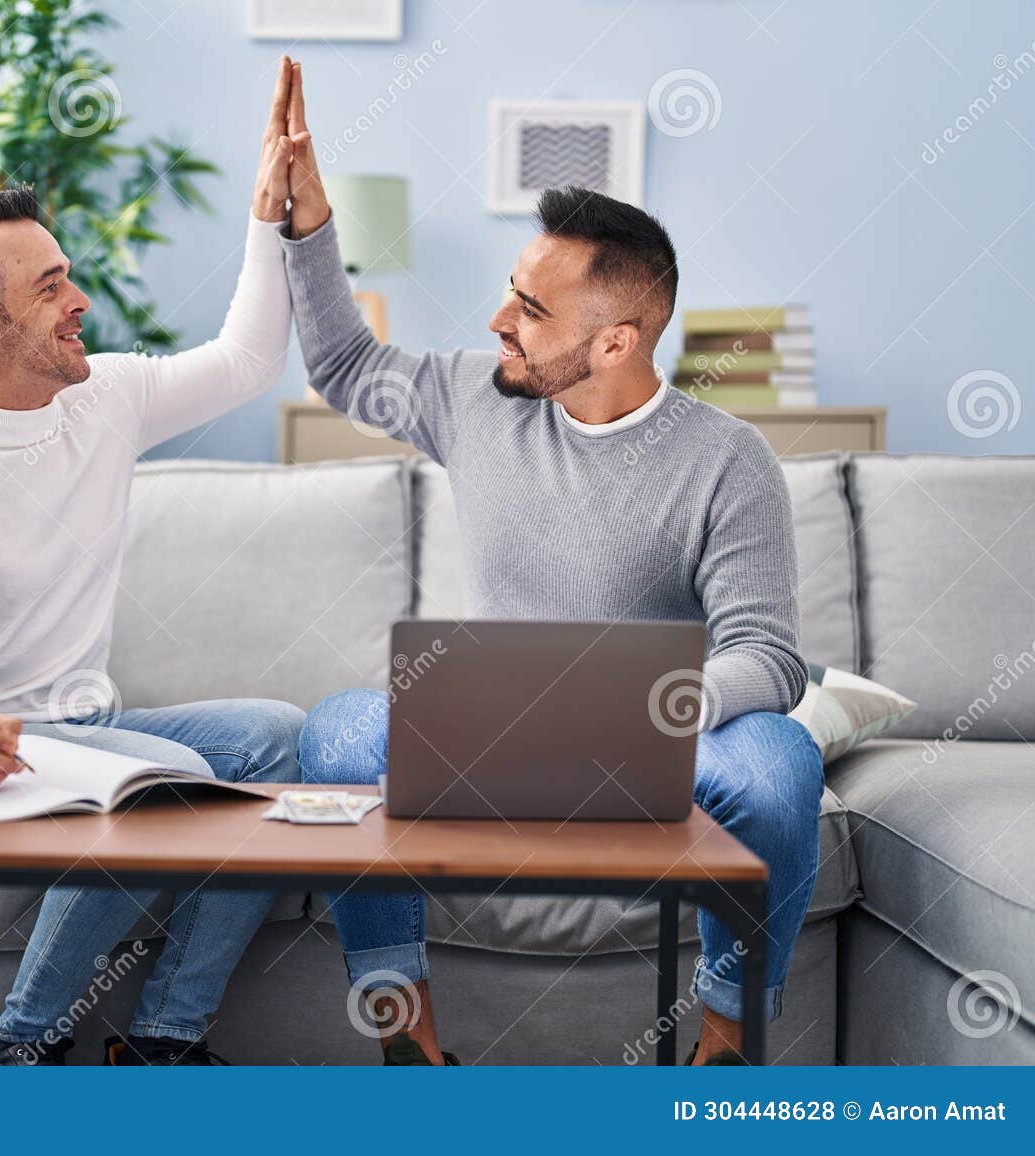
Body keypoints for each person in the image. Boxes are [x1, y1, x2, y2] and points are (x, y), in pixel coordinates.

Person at [278, 67, 824, 1066]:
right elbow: (346, 368)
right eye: (509, 293)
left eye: (529, 306)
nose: (498, 321)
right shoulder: (477, 398)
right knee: (340, 732)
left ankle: (723, 1041)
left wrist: (649, 703)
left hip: (657, 745)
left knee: (782, 765)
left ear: (614, 339)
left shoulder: (726, 459)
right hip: (490, 744)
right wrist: (307, 229)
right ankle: (411, 1043)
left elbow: (767, 656)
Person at [0, 60, 313, 1067]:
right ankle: (16, 1047)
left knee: (273, 738)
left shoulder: (102, 396)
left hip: (82, 732)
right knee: (172, 781)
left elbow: (247, 358)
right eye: (49, 285)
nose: (81, 301)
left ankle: (160, 1041)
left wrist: (267, 215)